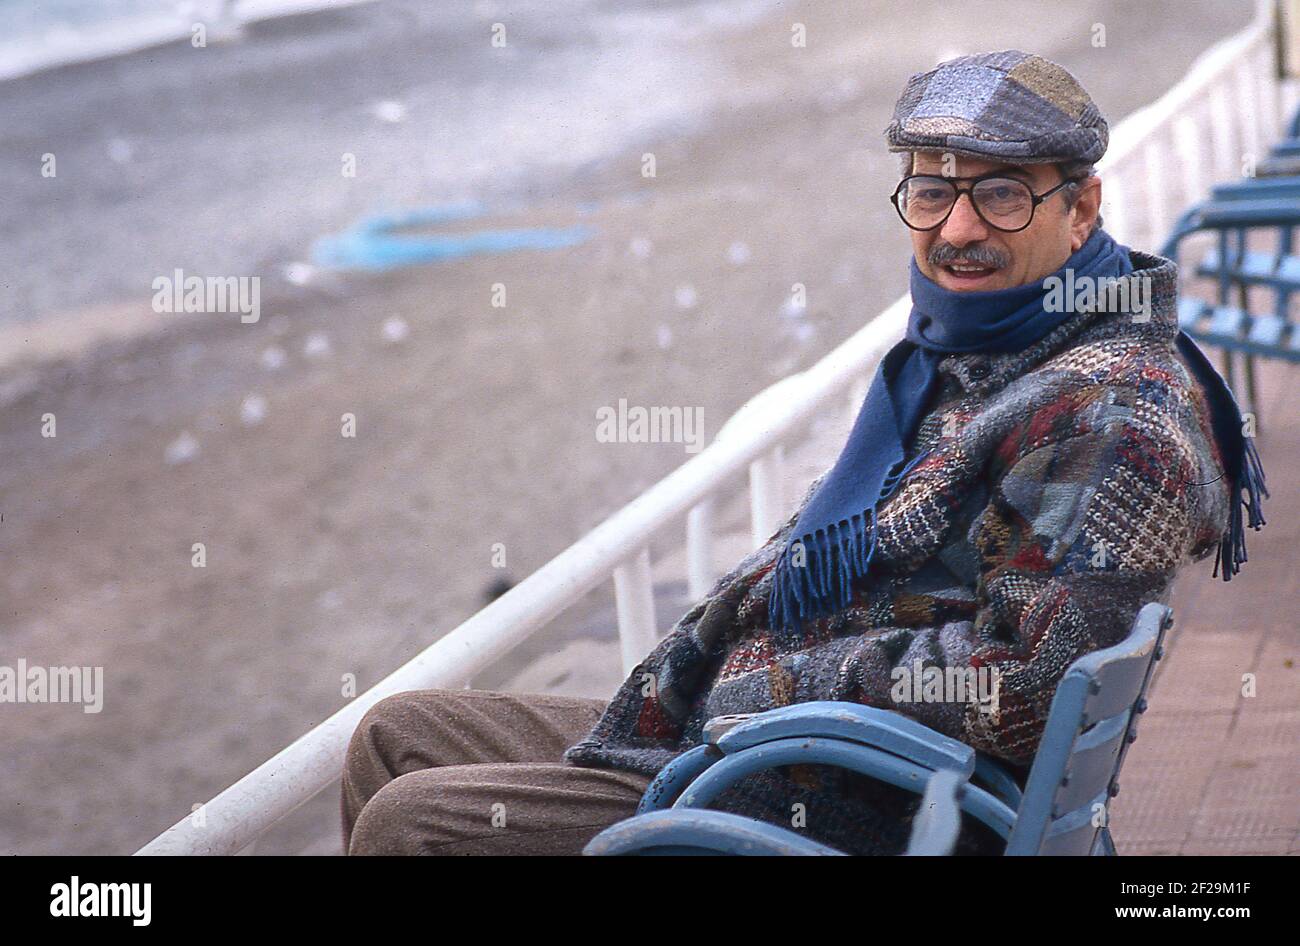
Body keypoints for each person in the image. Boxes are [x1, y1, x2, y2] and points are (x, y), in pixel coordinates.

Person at [341, 50, 1264, 855]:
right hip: (793, 744)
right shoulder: (982, 354)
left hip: (860, 796)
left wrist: (786, 678)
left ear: (1082, 206)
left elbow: (1029, 686)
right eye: (934, 190)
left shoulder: (1112, 412)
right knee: (396, 732)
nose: (956, 230)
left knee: (417, 825)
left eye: (1001, 193)